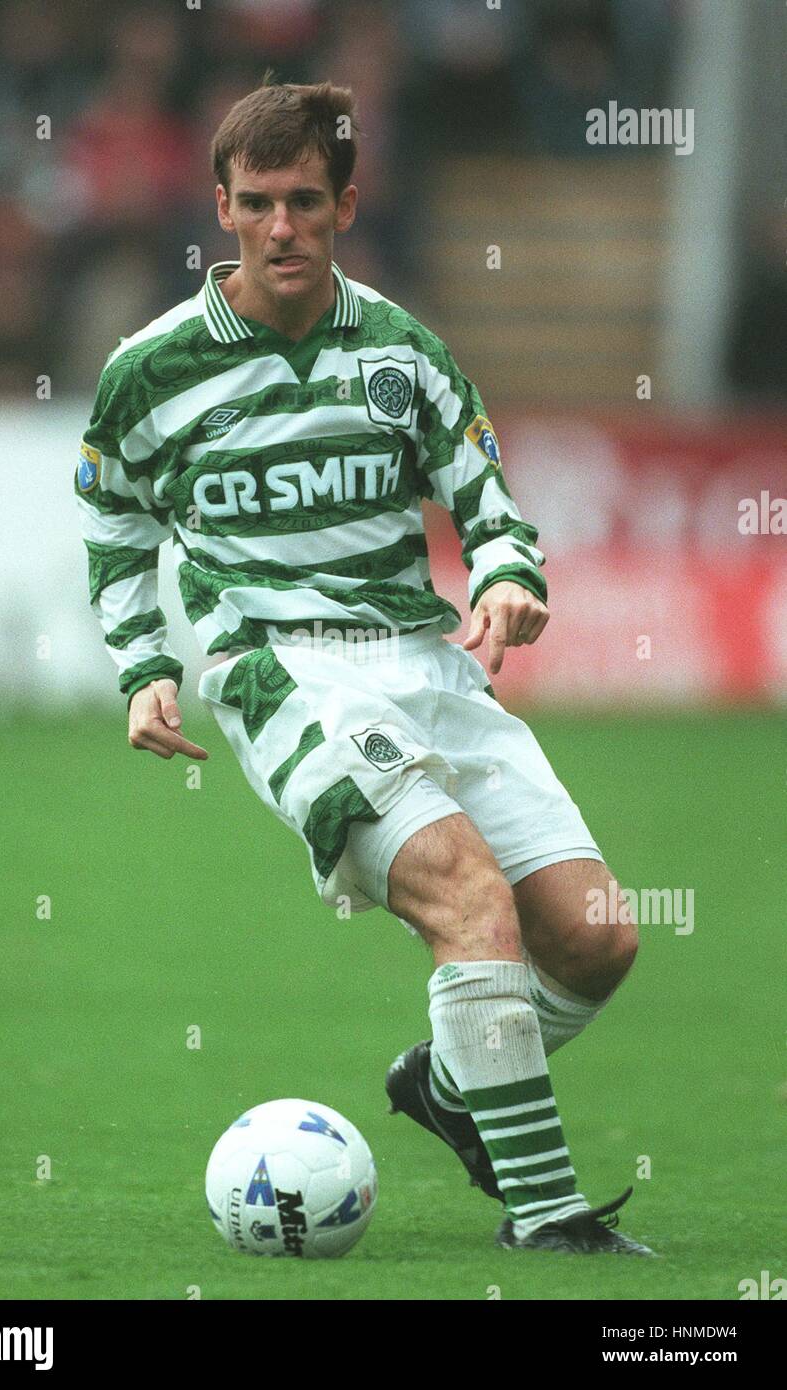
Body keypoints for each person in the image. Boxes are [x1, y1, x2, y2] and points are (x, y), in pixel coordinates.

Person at [76, 79, 651, 1255]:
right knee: (471, 903)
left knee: (597, 935)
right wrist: (143, 662)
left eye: (304, 201)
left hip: (426, 664)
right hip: (284, 671)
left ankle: (450, 1080)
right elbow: (115, 523)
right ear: (222, 207)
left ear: (346, 200)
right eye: (256, 204)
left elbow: (489, 498)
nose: (280, 227)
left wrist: (505, 575)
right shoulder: (150, 369)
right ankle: (547, 1222)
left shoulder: (403, 350)